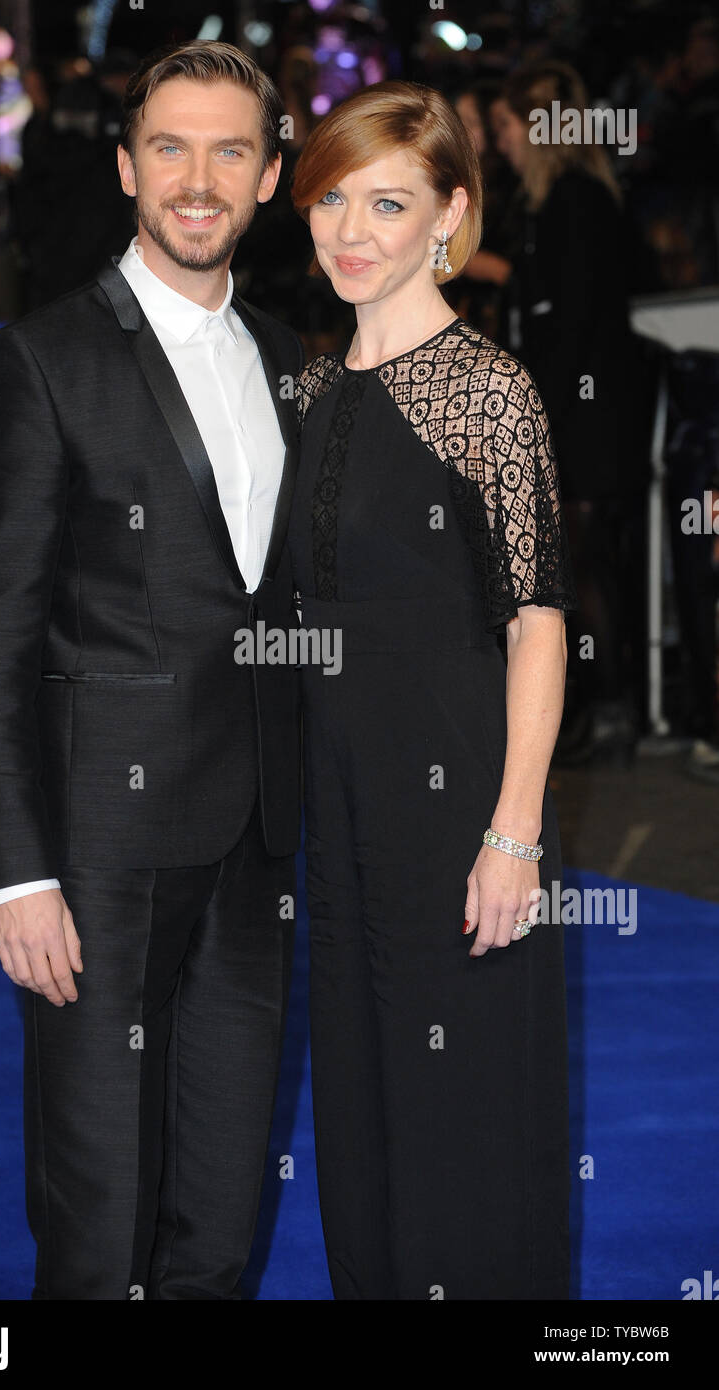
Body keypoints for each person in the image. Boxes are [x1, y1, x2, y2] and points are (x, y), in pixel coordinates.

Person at [0, 41, 303, 1300]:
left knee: (215, 1212)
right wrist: (16, 873)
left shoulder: (292, 360)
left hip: (255, 844)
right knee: (99, 1223)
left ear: (268, 177)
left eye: (227, 151)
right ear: (124, 166)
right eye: (169, 147)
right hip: (97, 857)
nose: (196, 179)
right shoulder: (40, 361)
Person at [289, 79, 577, 1300]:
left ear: (449, 217)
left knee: (462, 1111)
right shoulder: (304, 387)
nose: (352, 231)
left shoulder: (489, 394)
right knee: (357, 1105)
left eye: (388, 203)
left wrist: (512, 832)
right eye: (333, 200)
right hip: (336, 815)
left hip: (458, 807)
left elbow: (539, 620)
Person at [494, 61, 646, 763]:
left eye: (504, 127)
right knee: (580, 568)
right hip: (577, 415)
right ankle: (598, 707)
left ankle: (611, 709)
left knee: (585, 567)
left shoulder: (575, 203)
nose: (500, 144)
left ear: (537, 127)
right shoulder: (557, 203)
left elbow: (575, 328)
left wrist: (535, 419)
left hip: (585, 422)